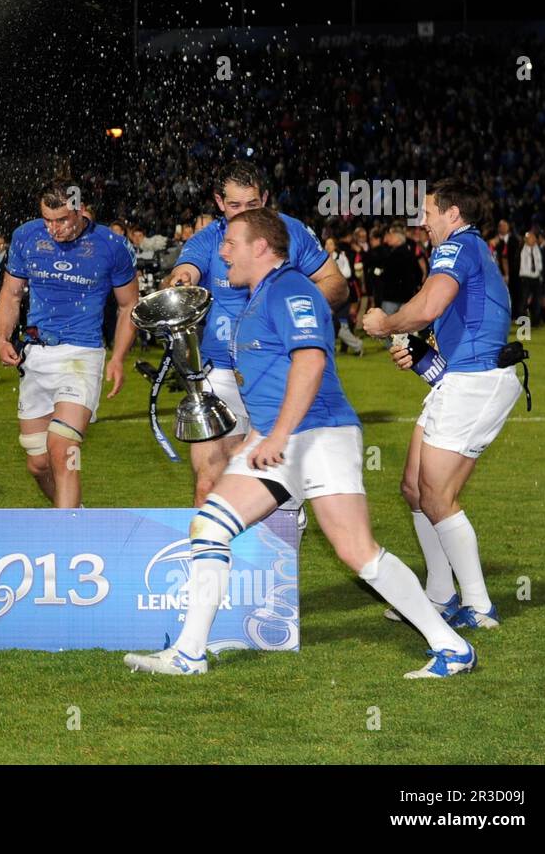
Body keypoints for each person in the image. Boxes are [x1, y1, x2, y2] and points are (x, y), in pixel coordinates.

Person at [126, 208, 475, 679]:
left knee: (358, 552)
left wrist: (281, 433)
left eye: (231, 243)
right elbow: (270, 379)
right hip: (281, 439)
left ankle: (451, 646)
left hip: (319, 436)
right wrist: (263, 434)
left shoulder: (290, 289)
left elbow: (310, 362)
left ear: (261, 248)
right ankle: (190, 654)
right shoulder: (258, 295)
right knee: (209, 525)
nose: (221, 251)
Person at [363, 178, 523, 630]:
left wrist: (386, 324)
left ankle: (478, 605)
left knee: (436, 494)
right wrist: (420, 354)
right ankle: (440, 595)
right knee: (414, 489)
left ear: (453, 214)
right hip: (463, 379)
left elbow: (430, 304)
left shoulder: (457, 246)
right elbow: (460, 331)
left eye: (429, 211)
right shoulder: (471, 251)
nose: (423, 220)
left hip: (476, 383)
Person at [165, 162, 347, 505]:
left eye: (252, 205)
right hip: (219, 370)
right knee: (209, 480)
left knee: (274, 480)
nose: (243, 213)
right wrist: (181, 281)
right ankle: (212, 555)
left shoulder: (291, 233)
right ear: (220, 202)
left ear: (265, 197)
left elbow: (336, 285)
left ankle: (282, 536)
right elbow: (184, 270)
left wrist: (289, 314)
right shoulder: (209, 240)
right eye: (234, 206)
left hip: (275, 369)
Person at [0, 180, 139, 508]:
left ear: (79, 210)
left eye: (62, 220)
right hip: (36, 355)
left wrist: (117, 358)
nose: (54, 228)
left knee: (62, 447)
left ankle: (68, 539)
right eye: (47, 220)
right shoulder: (26, 237)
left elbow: (129, 305)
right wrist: (2, 337)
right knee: (38, 462)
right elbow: (11, 293)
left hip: (81, 354)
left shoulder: (111, 245)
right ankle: (75, 515)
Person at [518, 230, 544, 324]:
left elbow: (541, 263)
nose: (532, 240)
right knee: (524, 300)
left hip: (536, 278)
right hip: (525, 278)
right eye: (530, 238)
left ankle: (536, 321)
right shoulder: (521, 249)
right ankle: (523, 321)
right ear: (526, 240)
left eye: (534, 238)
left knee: (537, 300)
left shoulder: (539, 249)